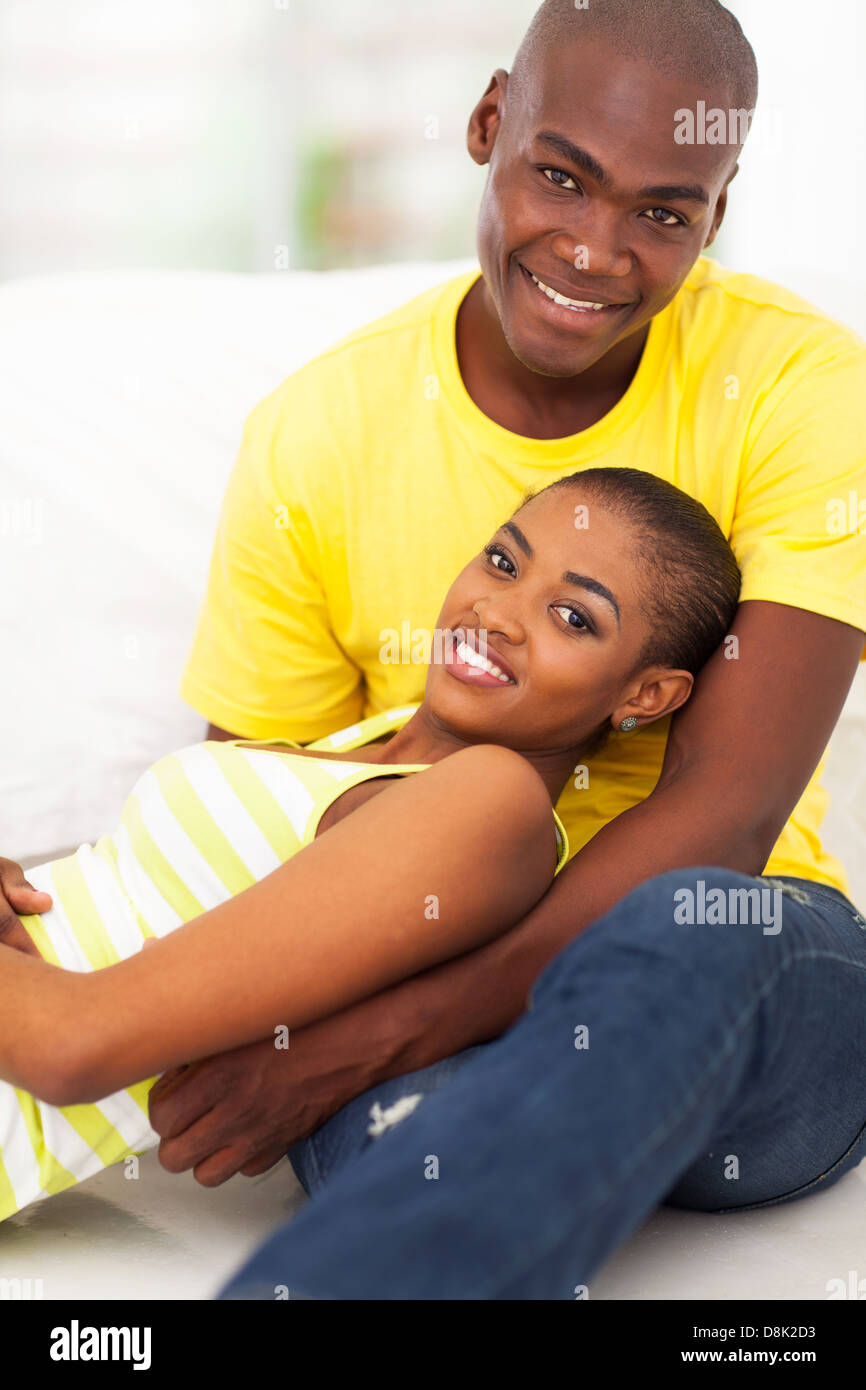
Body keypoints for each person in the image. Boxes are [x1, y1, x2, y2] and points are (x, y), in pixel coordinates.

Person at [1, 0, 865, 1296]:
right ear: (485, 125)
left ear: (716, 208)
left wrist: (363, 1032)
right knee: (391, 1131)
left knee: (690, 923)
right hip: (427, 995)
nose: (593, 248)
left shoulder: (802, 390)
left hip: (736, 973)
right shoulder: (319, 430)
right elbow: (258, 860)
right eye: (559, 175)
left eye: (663, 211)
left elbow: (725, 809)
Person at [0, 468, 741, 1221]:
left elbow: (73, 1045)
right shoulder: (352, 751)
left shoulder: (492, 803)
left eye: (573, 617)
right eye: (504, 562)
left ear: (644, 696)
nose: (498, 613)